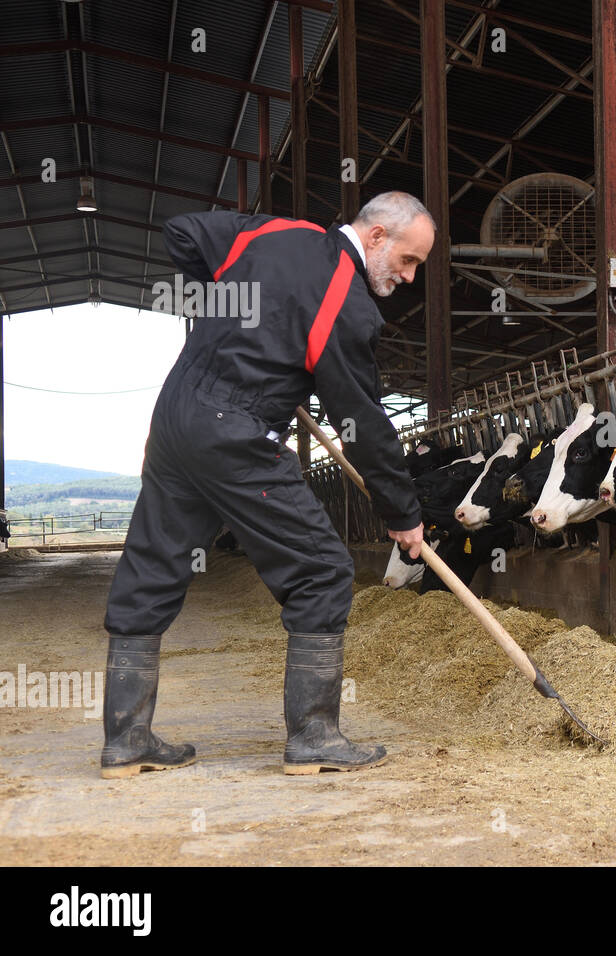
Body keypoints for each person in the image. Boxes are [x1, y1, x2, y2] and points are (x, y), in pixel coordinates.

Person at [101, 192, 433, 779]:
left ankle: (126, 740)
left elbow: (182, 231)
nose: (408, 277)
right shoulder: (345, 304)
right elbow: (363, 422)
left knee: (152, 566)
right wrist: (401, 511)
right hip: (235, 431)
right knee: (323, 571)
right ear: (377, 236)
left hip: (176, 415)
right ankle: (314, 737)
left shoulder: (275, 234)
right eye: (408, 261)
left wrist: (228, 308)